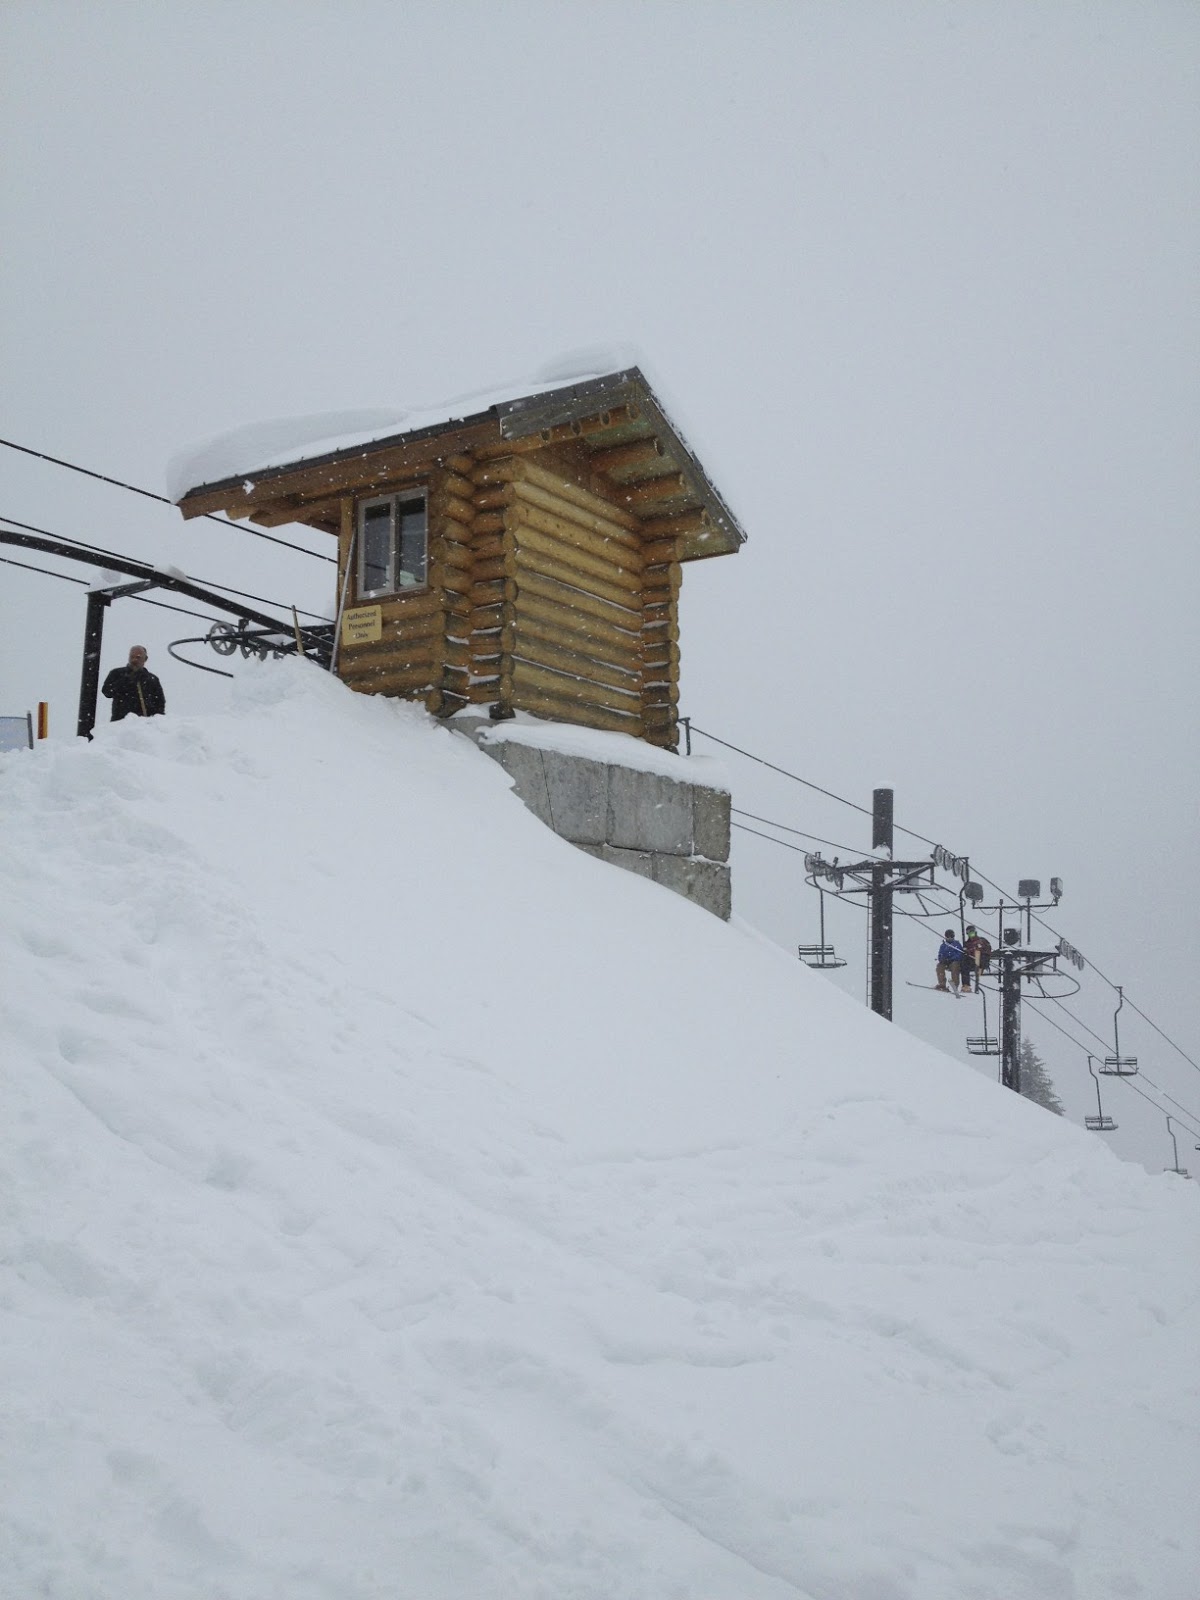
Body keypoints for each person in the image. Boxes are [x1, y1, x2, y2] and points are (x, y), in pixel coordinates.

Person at [101, 645, 166, 722]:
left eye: (138, 657)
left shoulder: (152, 679)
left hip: (145, 725)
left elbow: (160, 703)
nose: (134, 660)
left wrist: (156, 720)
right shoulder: (117, 673)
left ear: (145, 659)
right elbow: (107, 692)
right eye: (132, 657)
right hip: (120, 724)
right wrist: (126, 680)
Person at [962, 925, 993, 994]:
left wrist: (973, 950)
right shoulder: (967, 943)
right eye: (969, 933)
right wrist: (966, 951)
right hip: (972, 962)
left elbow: (985, 950)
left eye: (972, 932)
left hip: (981, 961)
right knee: (964, 965)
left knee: (980, 956)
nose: (971, 935)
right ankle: (966, 985)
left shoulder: (982, 940)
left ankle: (980, 969)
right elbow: (965, 952)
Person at [936, 928, 965, 993]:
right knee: (939, 966)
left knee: (955, 967)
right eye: (948, 937)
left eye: (951, 936)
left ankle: (955, 985)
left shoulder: (956, 944)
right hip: (946, 962)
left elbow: (960, 954)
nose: (949, 938)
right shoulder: (943, 945)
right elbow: (940, 954)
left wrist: (951, 959)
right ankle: (942, 984)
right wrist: (942, 959)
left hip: (954, 962)